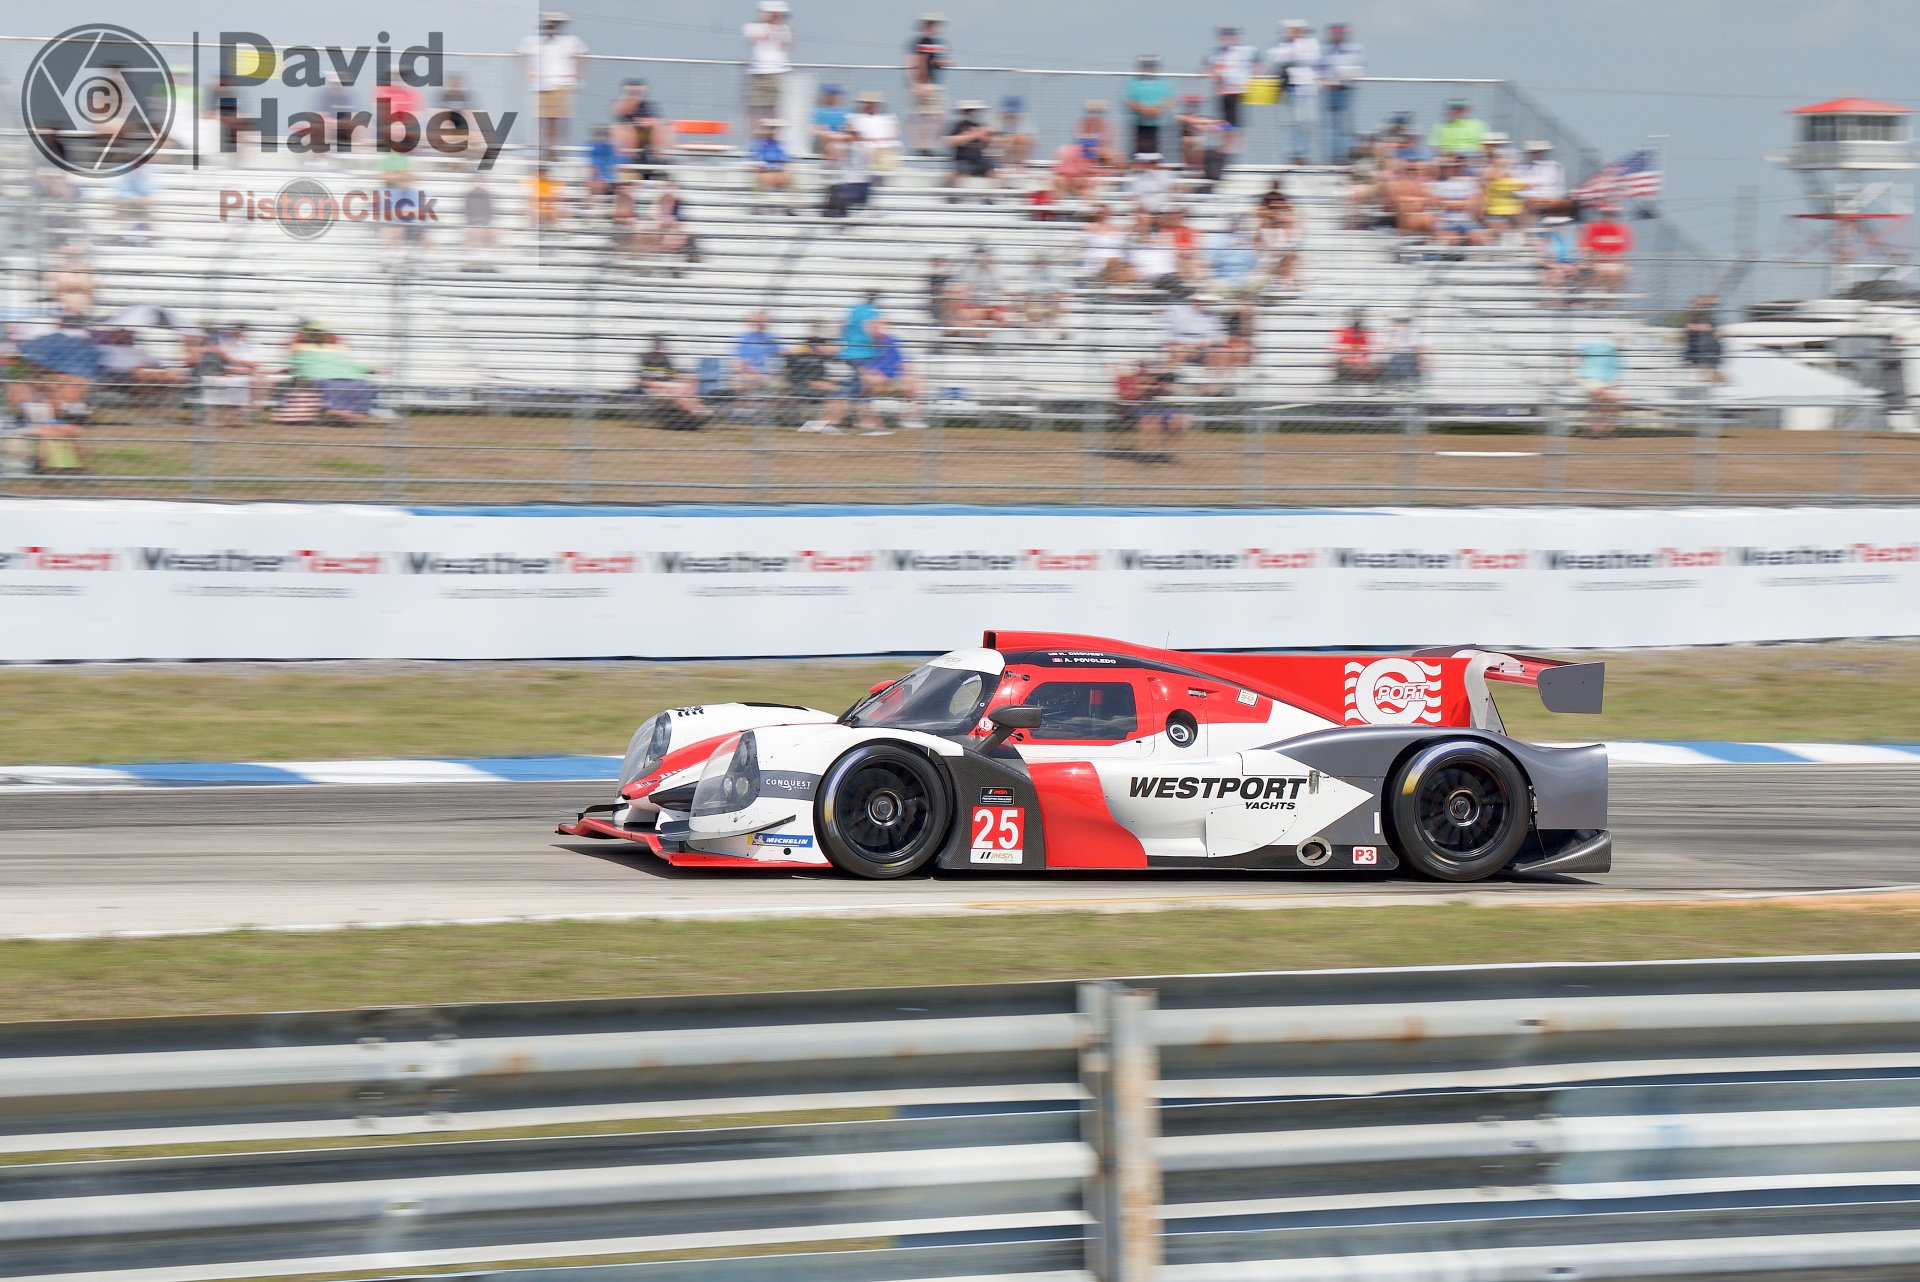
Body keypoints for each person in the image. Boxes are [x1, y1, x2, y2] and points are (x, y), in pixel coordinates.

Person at [517, 12, 587, 161]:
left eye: (555, 23)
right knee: (543, 119)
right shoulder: (534, 41)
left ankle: (556, 150)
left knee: (558, 120)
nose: (552, 26)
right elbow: (520, 55)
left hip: (561, 85)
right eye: (550, 23)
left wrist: (577, 72)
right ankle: (544, 150)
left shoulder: (570, 41)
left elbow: (583, 55)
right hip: (541, 85)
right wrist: (527, 73)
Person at [1268, 19, 1321, 164]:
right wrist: (1292, 54)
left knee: (1305, 121)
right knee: (1286, 123)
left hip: (1306, 86)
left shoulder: (1311, 43)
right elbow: (1277, 58)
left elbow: (1311, 58)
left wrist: (1293, 51)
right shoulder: (1279, 44)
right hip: (1287, 87)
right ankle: (1288, 153)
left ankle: (1301, 153)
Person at [636, 337, 712, 427]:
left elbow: (672, 373)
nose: (659, 346)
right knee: (678, 390)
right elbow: (644, 378)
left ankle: (696, 409)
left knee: (691, 382)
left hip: (666, 384)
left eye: (660, 344)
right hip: (653, 385)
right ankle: (696, 410)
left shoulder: (664, 358)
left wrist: (684, 377)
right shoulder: (646, 357)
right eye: (657, 344)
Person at [743, 0, 793, 134]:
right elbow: (754, 39)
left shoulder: (784, 29)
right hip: (759, 72)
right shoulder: (753, 26)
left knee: (775, 108)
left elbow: (787, 44)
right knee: (755, 107)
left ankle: (773, 135)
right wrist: (770, 27)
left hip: (777, 72)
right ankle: (755, 135)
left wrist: (779, 26)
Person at [905, 13, 948, 156]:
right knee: (928, 117)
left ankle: (927, 145)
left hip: (931, 83)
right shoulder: (921, 42)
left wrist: (943, 63)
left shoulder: (934, 43)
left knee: (935, 116)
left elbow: (932, 61)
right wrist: (917, 84)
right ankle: (924, 146)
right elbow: (915, 62)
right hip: (925, 84)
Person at [1319, 23, 1364, 161]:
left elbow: (1358, 68)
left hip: (1345, 89)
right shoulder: (1324, 50)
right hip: (1329, 90)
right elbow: (1318, 68)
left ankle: (1347, 153)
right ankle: (1335, 155)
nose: (1337, 35)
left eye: (1340, 33)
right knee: (1331, 124)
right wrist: (1325, 80)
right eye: (1335, 33)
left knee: (1345, 123)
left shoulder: (1354, 49)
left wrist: (1345, 78)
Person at [1205, 26, 1256, 144]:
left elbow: (1258, 65)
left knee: (1236, 122)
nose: (1227, 39)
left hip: (1238, 91)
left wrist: (1251, 79)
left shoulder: (1245, 51)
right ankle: (1225, 144)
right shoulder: (1214, 53)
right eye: (1224, 37)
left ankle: (1233, 145)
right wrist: (1213, 75)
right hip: (1222, 92)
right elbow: (1205, 67)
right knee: (1223, 121)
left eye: (1230, 36)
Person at [611, 79, 669, 176]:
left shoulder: (648, 105)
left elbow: (656, 120)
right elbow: (619, 116)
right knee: (627, 129)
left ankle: (658, 158)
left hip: (645, 135)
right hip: (627, 137)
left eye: (637, 92)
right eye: (632, 92)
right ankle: (632, 160)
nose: (635, 95)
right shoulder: (621, 104)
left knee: (661, 126)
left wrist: (647, 122)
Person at [787, 327, 841, 430]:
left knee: (839, 393)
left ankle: (820, 425)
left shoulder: (823, 356)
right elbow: (804, 377)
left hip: (817, 383)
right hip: (804, 384)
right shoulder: (803, 353)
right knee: (837, 395)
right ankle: (821, 425)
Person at [1124, 55, 1173, 160]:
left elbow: (1170, 100)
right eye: (1146, 66)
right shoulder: (1134, 82)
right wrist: (1142, 109)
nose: (1149, 68)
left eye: (1151, 66)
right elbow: (1128, 100)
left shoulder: (1164, 82)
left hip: (1158, 125)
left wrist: (1157, 109)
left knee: (1156, 154)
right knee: (1139, 154)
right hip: (1139, 124)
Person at [945, 101, 995, 199]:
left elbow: (988, 143)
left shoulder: (981, 126)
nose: (973, 113)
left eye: (974, 111)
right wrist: (971, 135)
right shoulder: (958, 126)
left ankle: (991, 197)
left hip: (979, 159)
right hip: (962, 158)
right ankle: (952, 195)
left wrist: (984, 136)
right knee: (961, 172)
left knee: (993, 172)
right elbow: (950, 141)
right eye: (970, 111)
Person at [1576, 334, 1624, 435]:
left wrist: (1609, 386)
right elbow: (1581, 376)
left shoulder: (1615, 358)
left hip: (1603, 386)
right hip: (1594, 384)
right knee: (1600, 402)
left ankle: (1602, 430)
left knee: (1610, 404)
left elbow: (1617, 379)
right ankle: (1596, 429)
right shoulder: (1596, 353)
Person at [1017, 250, 1070, 339]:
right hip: (1036, 299)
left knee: (1055, 297)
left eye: (1043, 262)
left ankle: (1052, 324)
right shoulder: (1028, 274)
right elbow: (1027, 289)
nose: (1041, 265)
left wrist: (1046, 290)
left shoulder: (1053, 273)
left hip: (1049, 299)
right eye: (1038, 262)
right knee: (1032, 297)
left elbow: (1058, 289)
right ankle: (1037, 324)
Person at [1516, 140, 1568, 223]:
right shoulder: (1521, 167)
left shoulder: (1555, 166)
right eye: (1534, 152)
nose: (1538, 154)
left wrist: (1545, 200)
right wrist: (1532, 198)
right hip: (1529, 204)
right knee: (1524, 208)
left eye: (1540, 151)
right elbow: (1518, 190)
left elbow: (1560, 190)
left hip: (1550, 203)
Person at [734, 312, 783, 398]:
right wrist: (757, 375)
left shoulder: (772, 339)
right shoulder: (743, 339)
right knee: (743, 383)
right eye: (758, 321)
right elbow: (737, 363)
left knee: (780, 385)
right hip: (750, 375)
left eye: (763, 321)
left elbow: (781, 357)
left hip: (769, 375)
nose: (760, 324)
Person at [749, 119, 794, 212]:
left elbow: (785, 158)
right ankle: (759, 208)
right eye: (769, 129)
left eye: (774, 129)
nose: (772, 132)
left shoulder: (779, 144)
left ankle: (791, 208)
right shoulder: (758, 143)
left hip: (778, 171)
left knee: (792, 180)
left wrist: (782, 167)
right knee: (763, 179)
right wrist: (768, 168)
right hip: (764, 171)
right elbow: (756, 159)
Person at [1082, 204, 1130, 284]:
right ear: (1095, 214)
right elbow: (1092, 249)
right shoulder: (1089, 228)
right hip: (1097, 261)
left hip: (1114, 261)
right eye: (1101, 213)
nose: (1103, 215)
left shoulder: (1117, 229)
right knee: (1115, 265)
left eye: (1105, 213)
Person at [1683, 295, 1724, 383]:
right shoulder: (1694, 315)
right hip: (1697, 346)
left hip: (1707, 348)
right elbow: (1689, 326)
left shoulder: (1708, 317)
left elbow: (1715, 331)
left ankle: (1712, 375)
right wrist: (1706, 328)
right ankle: (1709, 375)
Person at [1330, 312, 1378, 383]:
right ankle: (1343, 378)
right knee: (1339, 360)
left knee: (1370, 366)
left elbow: (1370, 347)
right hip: (1349, 358)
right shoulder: (1346, 332)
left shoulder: (1364, 333)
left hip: (1360, 360)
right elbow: (1337, 346)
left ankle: (1362, 378)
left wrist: (1359, 349)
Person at [1381, 312, 1424, 389]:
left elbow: (1417, 348)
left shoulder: (1413, 332)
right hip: (1396, 359)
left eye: (1404, 321)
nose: (1401, 324)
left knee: (1400, 363)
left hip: (1407, 358)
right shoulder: (1391, 332)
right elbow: (1386, 348)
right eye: (1398, 321)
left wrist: (1420, 364)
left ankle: (1402, 386)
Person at [1125, 151, 1174, 216]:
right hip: (1142, 212)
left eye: (1153, 162)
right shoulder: (1133, 176)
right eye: (1145, 162)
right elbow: (1132, 195)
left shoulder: (1166, 174)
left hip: (1163, 210)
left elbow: (1171, 191)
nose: (1149, 165)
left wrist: (1162, 207)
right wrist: (1142, 208)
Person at [811, 84, 851, 155]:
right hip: (824, 143)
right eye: (830, 95)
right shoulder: (818, 111)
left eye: (835, 95)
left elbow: (849, 129)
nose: (833, 98)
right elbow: (813, 129)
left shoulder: (845, 112)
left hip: (840, 142)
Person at [995, 97, 1034, 168]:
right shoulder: (997, 119)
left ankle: (1020, 165)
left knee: (1024, 139)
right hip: (1001, 146)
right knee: (1006, 141)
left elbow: (1028, 135)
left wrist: (1014, 139)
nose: (1012, 113)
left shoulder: (1023, 118)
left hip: (1016, 145)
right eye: (1010, 112)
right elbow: (994, 136)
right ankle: (1004, 165)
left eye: (1014, 112)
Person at [586, 125, 620, 198]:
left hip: (607, 177)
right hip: (603, 177)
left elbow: (613, 164)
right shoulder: (598, 148)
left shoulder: (610, 148)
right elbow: (595, 165)